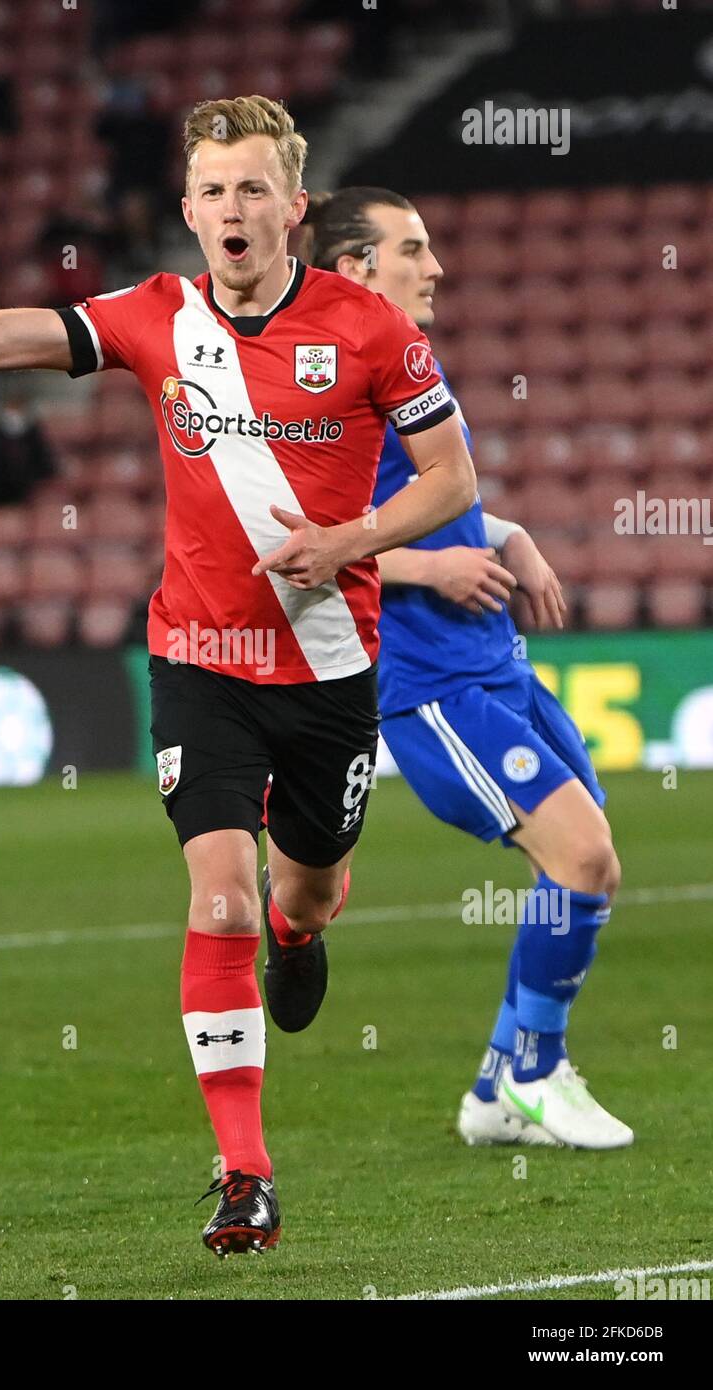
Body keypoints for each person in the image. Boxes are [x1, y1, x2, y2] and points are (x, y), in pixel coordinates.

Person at [0, 95, 477, 1255]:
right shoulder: (152, 318)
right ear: (186, 208)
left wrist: (346, 543)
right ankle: (242, 1173)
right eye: (212, 190)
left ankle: (301, 929)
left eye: (252, 189)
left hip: (328, 671)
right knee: (214, 891)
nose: (231, 208)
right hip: (197, 661)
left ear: (292, 207)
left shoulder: (369, 329)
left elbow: (450, 482)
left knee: (302, 888)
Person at [306, 186, 631, 1150]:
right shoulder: (322, 389)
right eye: (413, 248)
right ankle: (536, 1073)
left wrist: (505, 534)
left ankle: (496, 1087)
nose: (436, 265)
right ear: (356, 267)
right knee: (580, 857)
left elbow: (426, 507)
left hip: (499, 670)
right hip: (432, 689)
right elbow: (304, 543)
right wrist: (427, 566)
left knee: (587, 858)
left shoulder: (403, 363)